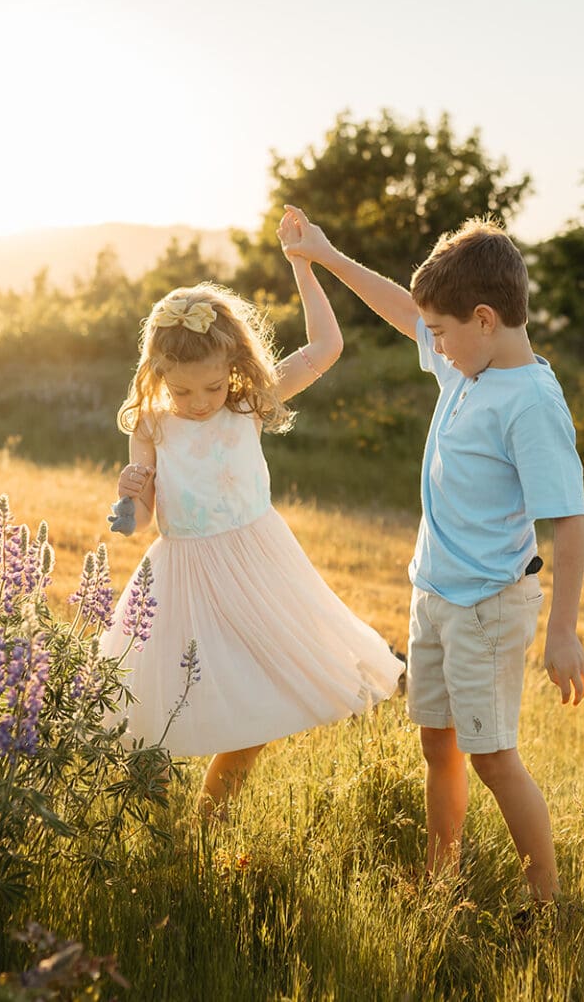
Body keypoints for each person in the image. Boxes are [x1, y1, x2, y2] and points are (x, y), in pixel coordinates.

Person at [278, 206, 584, 904]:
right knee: (438, 746)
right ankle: (440, 878)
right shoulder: (467, 367)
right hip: (435, 598)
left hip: (486, 606)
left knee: (493, 758)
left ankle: (548, 899)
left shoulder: (530, 402)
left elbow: (569, 524)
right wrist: (326, 256)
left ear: (485, 319)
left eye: (441, 333)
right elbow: (405, 310)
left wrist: (563, 632)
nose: (431, 345)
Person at [101, 222, 404, 820]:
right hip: (182, 574)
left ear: (233, 365)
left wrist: (303, 265)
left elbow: (325, 350)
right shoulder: (152, 426)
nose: (199, 402)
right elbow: (134, 523)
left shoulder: (248, 405)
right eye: (183, 390)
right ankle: (161, 830)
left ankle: (212, 815)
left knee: (262, 699)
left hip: (259, 564)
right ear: (159, 376)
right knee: (153, 713)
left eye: (211, 385)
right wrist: (130, 492)